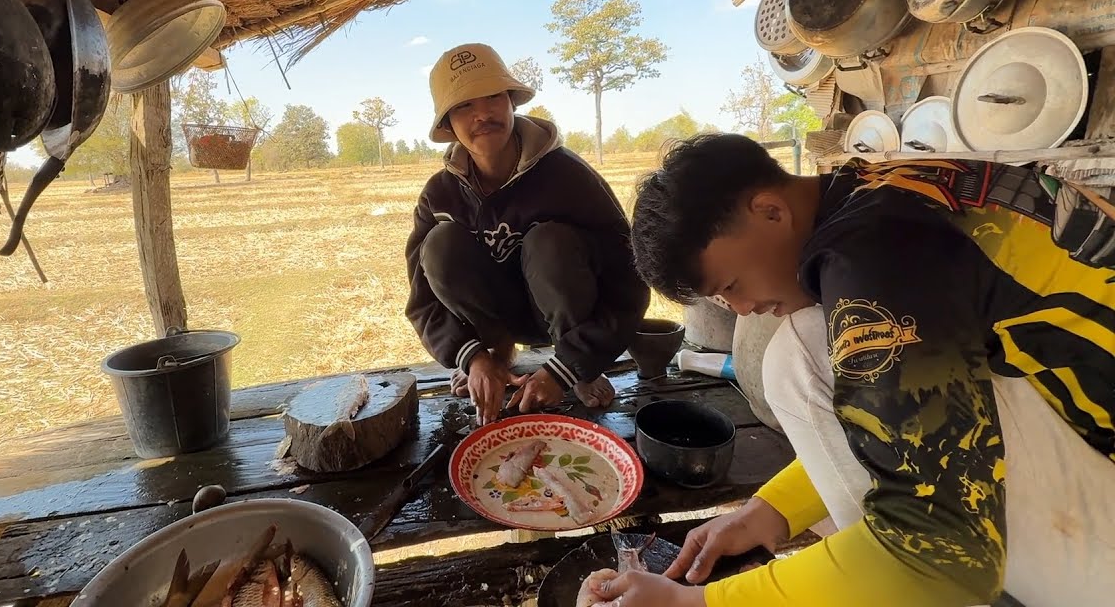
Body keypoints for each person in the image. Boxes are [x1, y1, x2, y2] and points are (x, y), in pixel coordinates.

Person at [585, 133, 1115, 607]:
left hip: (1098, 543)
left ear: (770, 211)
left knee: (801, 348)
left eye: (731, 285)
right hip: (1082, 442)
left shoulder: (872, 256)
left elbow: (939, 538)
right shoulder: (878, 188)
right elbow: (917, 425)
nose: (744, 309)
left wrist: (697, 604)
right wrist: (768, 510)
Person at [405, 43, 650, 426]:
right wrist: (471, 356)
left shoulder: (568, 177)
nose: (483, 114)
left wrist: (572, 365)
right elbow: (422, 301)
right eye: (464, 105)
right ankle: (496, 356)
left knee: (550, 242)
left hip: (568, 315)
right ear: (447, 124)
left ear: (511, 102)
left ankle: (578, 367)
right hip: (495, 322)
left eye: (493, 97)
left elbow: (628, 276)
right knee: (439, 245)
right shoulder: (439, 196)